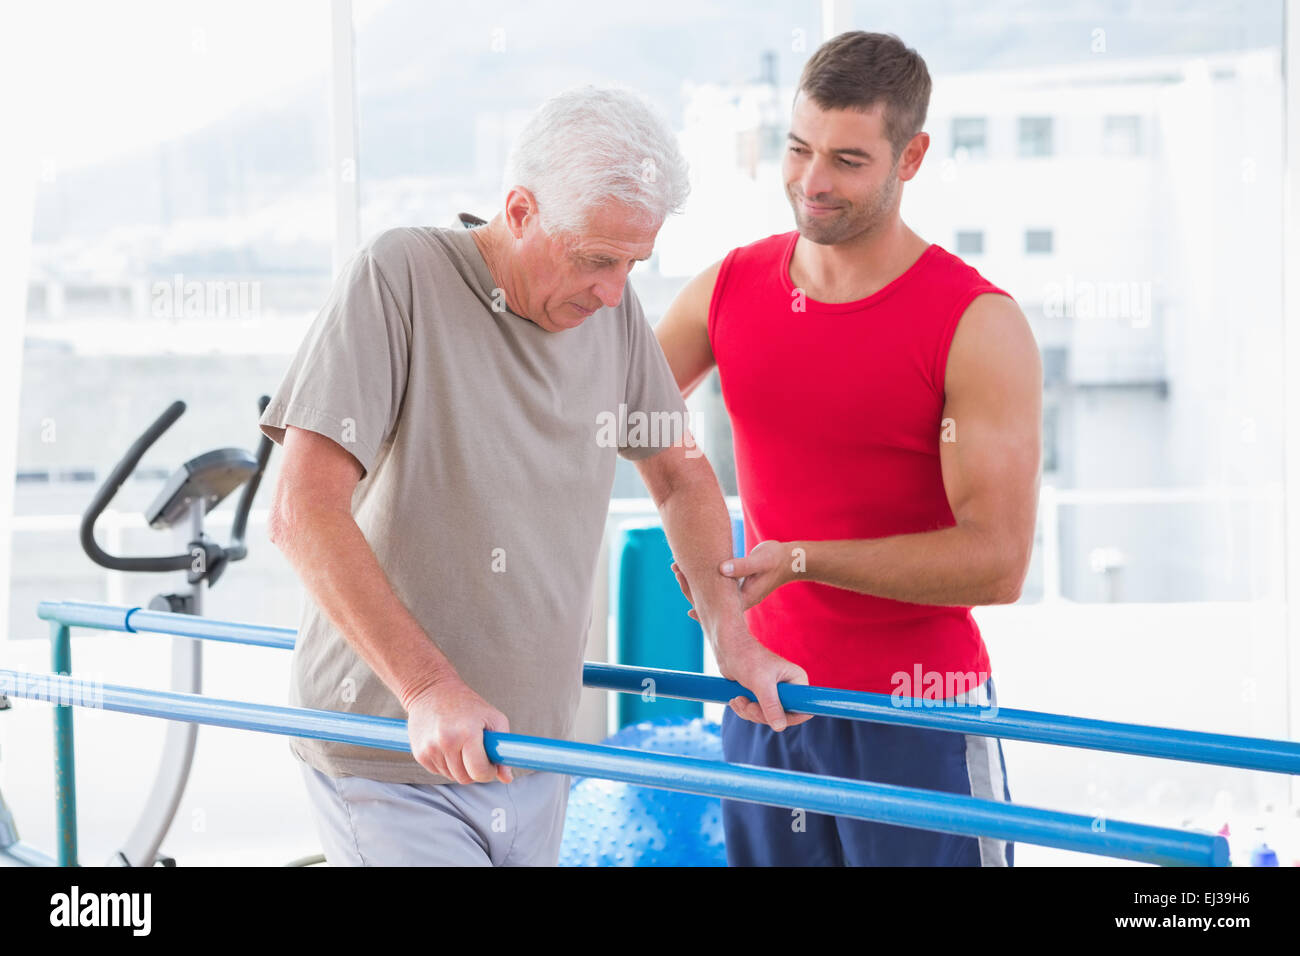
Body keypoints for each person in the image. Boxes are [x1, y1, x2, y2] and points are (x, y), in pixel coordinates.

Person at [256, 85, 809, 867]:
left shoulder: (607, 312)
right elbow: (302, 510)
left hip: (534, 751)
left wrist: (732, 635)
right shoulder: (401, 275)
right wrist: (426, 689)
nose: (614, 291)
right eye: (594, 259)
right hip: (396, 749)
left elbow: (682, 477)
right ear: (519, 211)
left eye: (631, 263)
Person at [659, 32, 1042, 866]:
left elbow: (998, 563)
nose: (813, 182)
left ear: (912, 158)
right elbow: (609, 413)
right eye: (798, 149)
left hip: (918, 717)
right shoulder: (728, 287)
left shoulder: (977, 324)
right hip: (765, 705)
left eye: (848, 159)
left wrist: (802, 559)